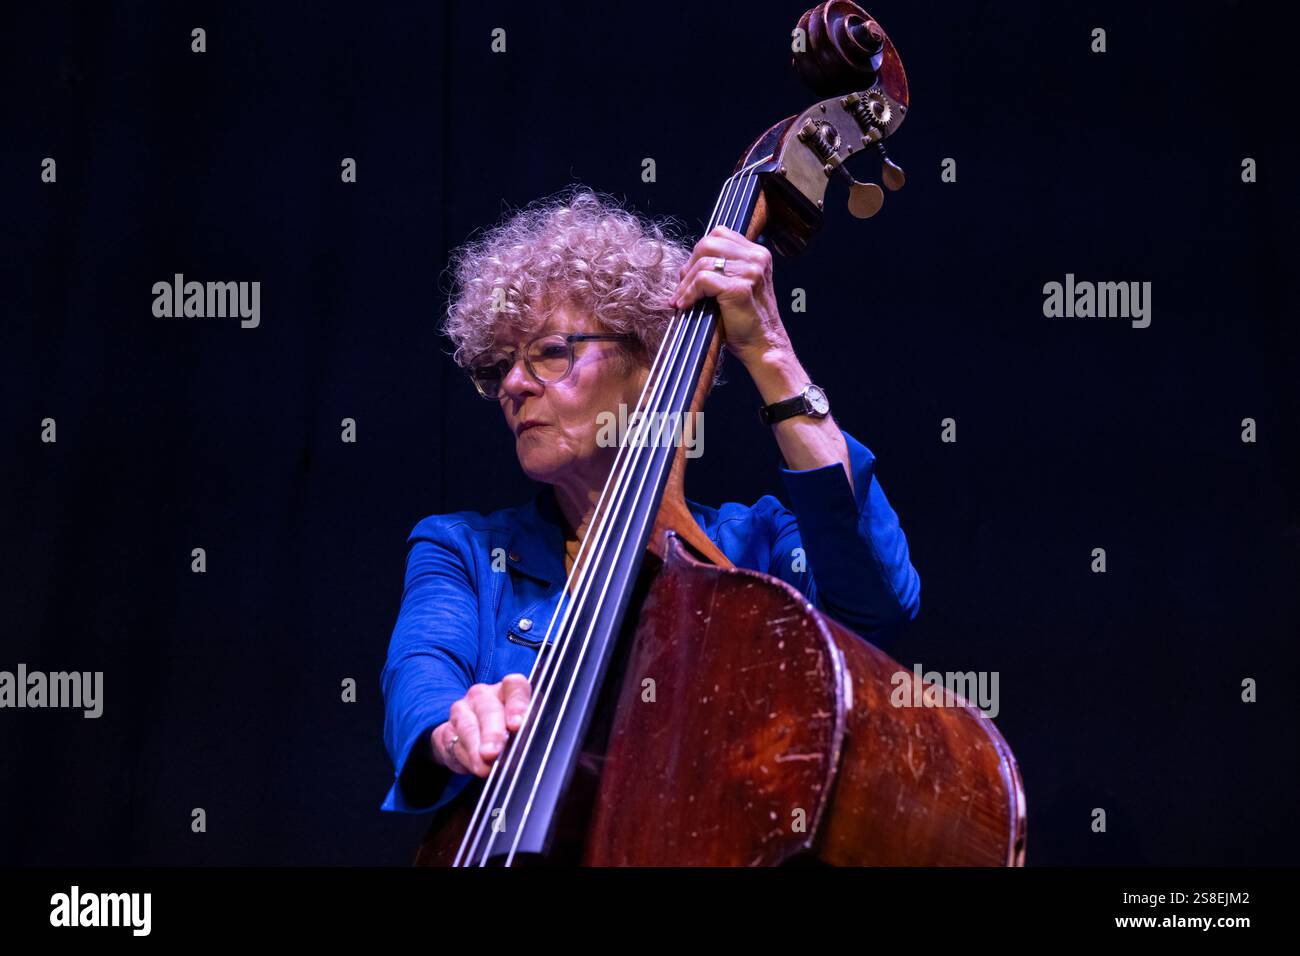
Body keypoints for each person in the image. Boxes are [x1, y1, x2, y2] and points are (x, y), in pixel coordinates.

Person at [380, 186, 921, 815]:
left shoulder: (759, 545)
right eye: (499, 366)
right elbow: (421, 676)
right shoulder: (463, 550)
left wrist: (771, 352)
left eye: (550, 353)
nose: (514, 384)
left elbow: (877, 604)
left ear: (651, 361)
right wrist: (454, 728)